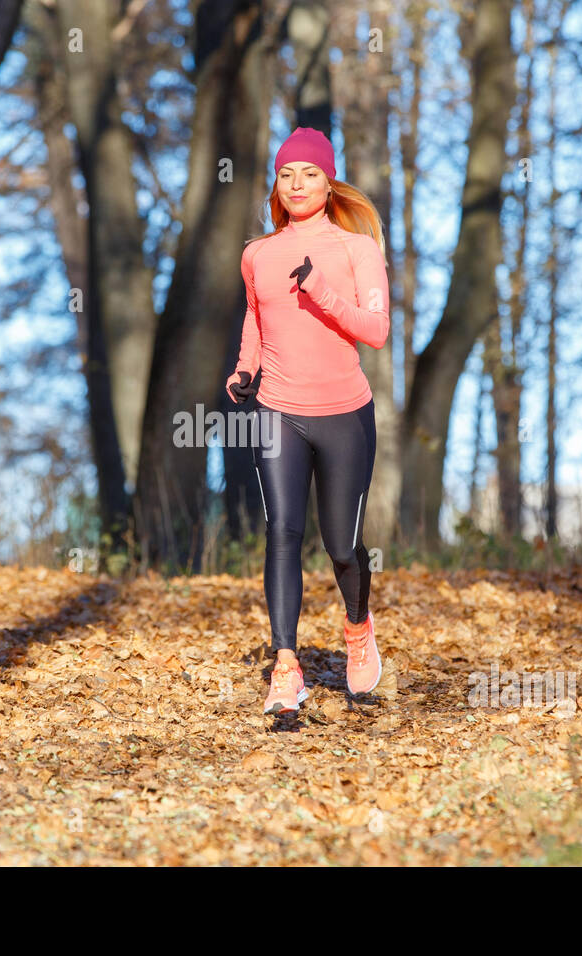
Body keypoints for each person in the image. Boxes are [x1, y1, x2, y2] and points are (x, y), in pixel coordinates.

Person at [224, 127, 390, 715]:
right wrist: (244, 370)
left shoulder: (355, 251)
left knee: (342, 545)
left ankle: (357, 627)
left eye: (310, 173)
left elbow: (375, 332)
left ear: (329, 181)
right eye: (286, 174)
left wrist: (319, 288)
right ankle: (287, 666)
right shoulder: (258, 254)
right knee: (282, 534)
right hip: (278, 412)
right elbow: (256, 316)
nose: (297, 184)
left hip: (345, 412)